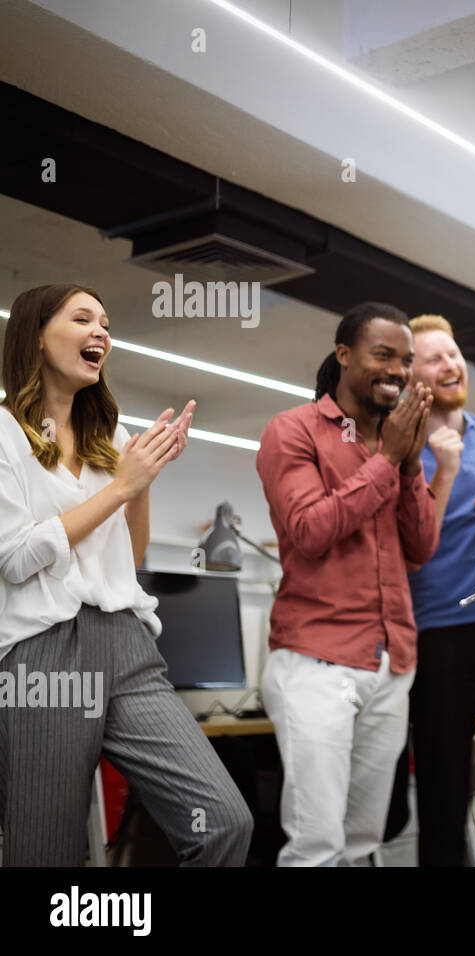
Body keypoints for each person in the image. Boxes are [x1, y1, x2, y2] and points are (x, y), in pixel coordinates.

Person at [0, 283, 251, 866]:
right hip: (45, 653)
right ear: (36, 336)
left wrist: (143, 480)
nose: (101, 333)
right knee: (45, 854)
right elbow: (14, 557)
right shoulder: (6, 434)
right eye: (83, 318)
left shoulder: (107, 439)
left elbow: (129, 560)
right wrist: (123, 485)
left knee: (223, 822)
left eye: (106, 323)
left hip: (128, 645)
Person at [256, 302, 439, 866]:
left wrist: (408, 466)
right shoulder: (292, 430)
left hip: (389, 663)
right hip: (317, 662)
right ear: (343, 355)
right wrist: (387, 459)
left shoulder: (395, 442)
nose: (398, 371)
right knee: (317, 845)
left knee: (364, 843)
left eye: (405, 360)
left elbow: (421, 548)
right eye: (383, 355)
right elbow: (309, 530)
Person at [397, 313, 475, 867]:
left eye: (454, 353)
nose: (451, 365)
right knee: (444, 782)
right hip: (436, 632)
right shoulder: (399, 445)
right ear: (410, 376)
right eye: (434, 358)